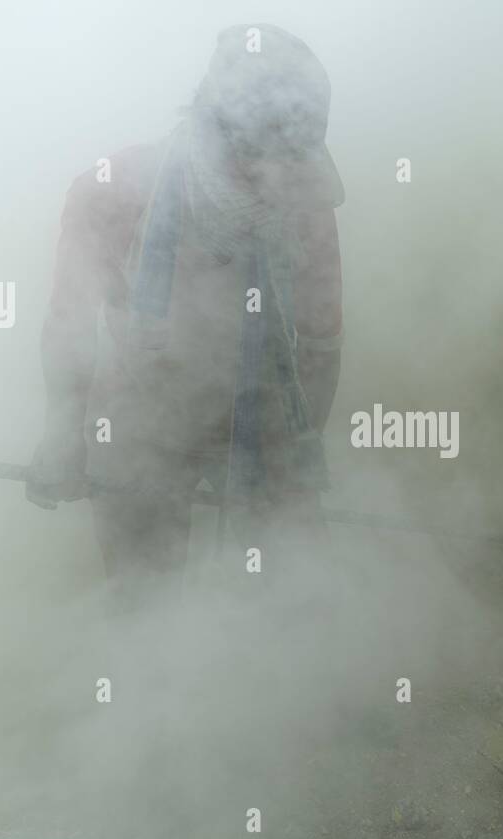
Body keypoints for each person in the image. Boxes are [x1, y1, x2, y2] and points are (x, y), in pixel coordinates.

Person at [25, 24, 344, 607]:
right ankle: (151, 693)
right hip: (140, 418)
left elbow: (321, 341)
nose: (280, 179)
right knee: (143, 602)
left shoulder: (302, 201)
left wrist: (296, 457)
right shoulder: (112, 189)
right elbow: (72, 325)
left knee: (289, 606)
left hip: (267, 414)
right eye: (268, 160)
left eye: (292, 161)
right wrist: (64, 436)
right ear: (223, 136)